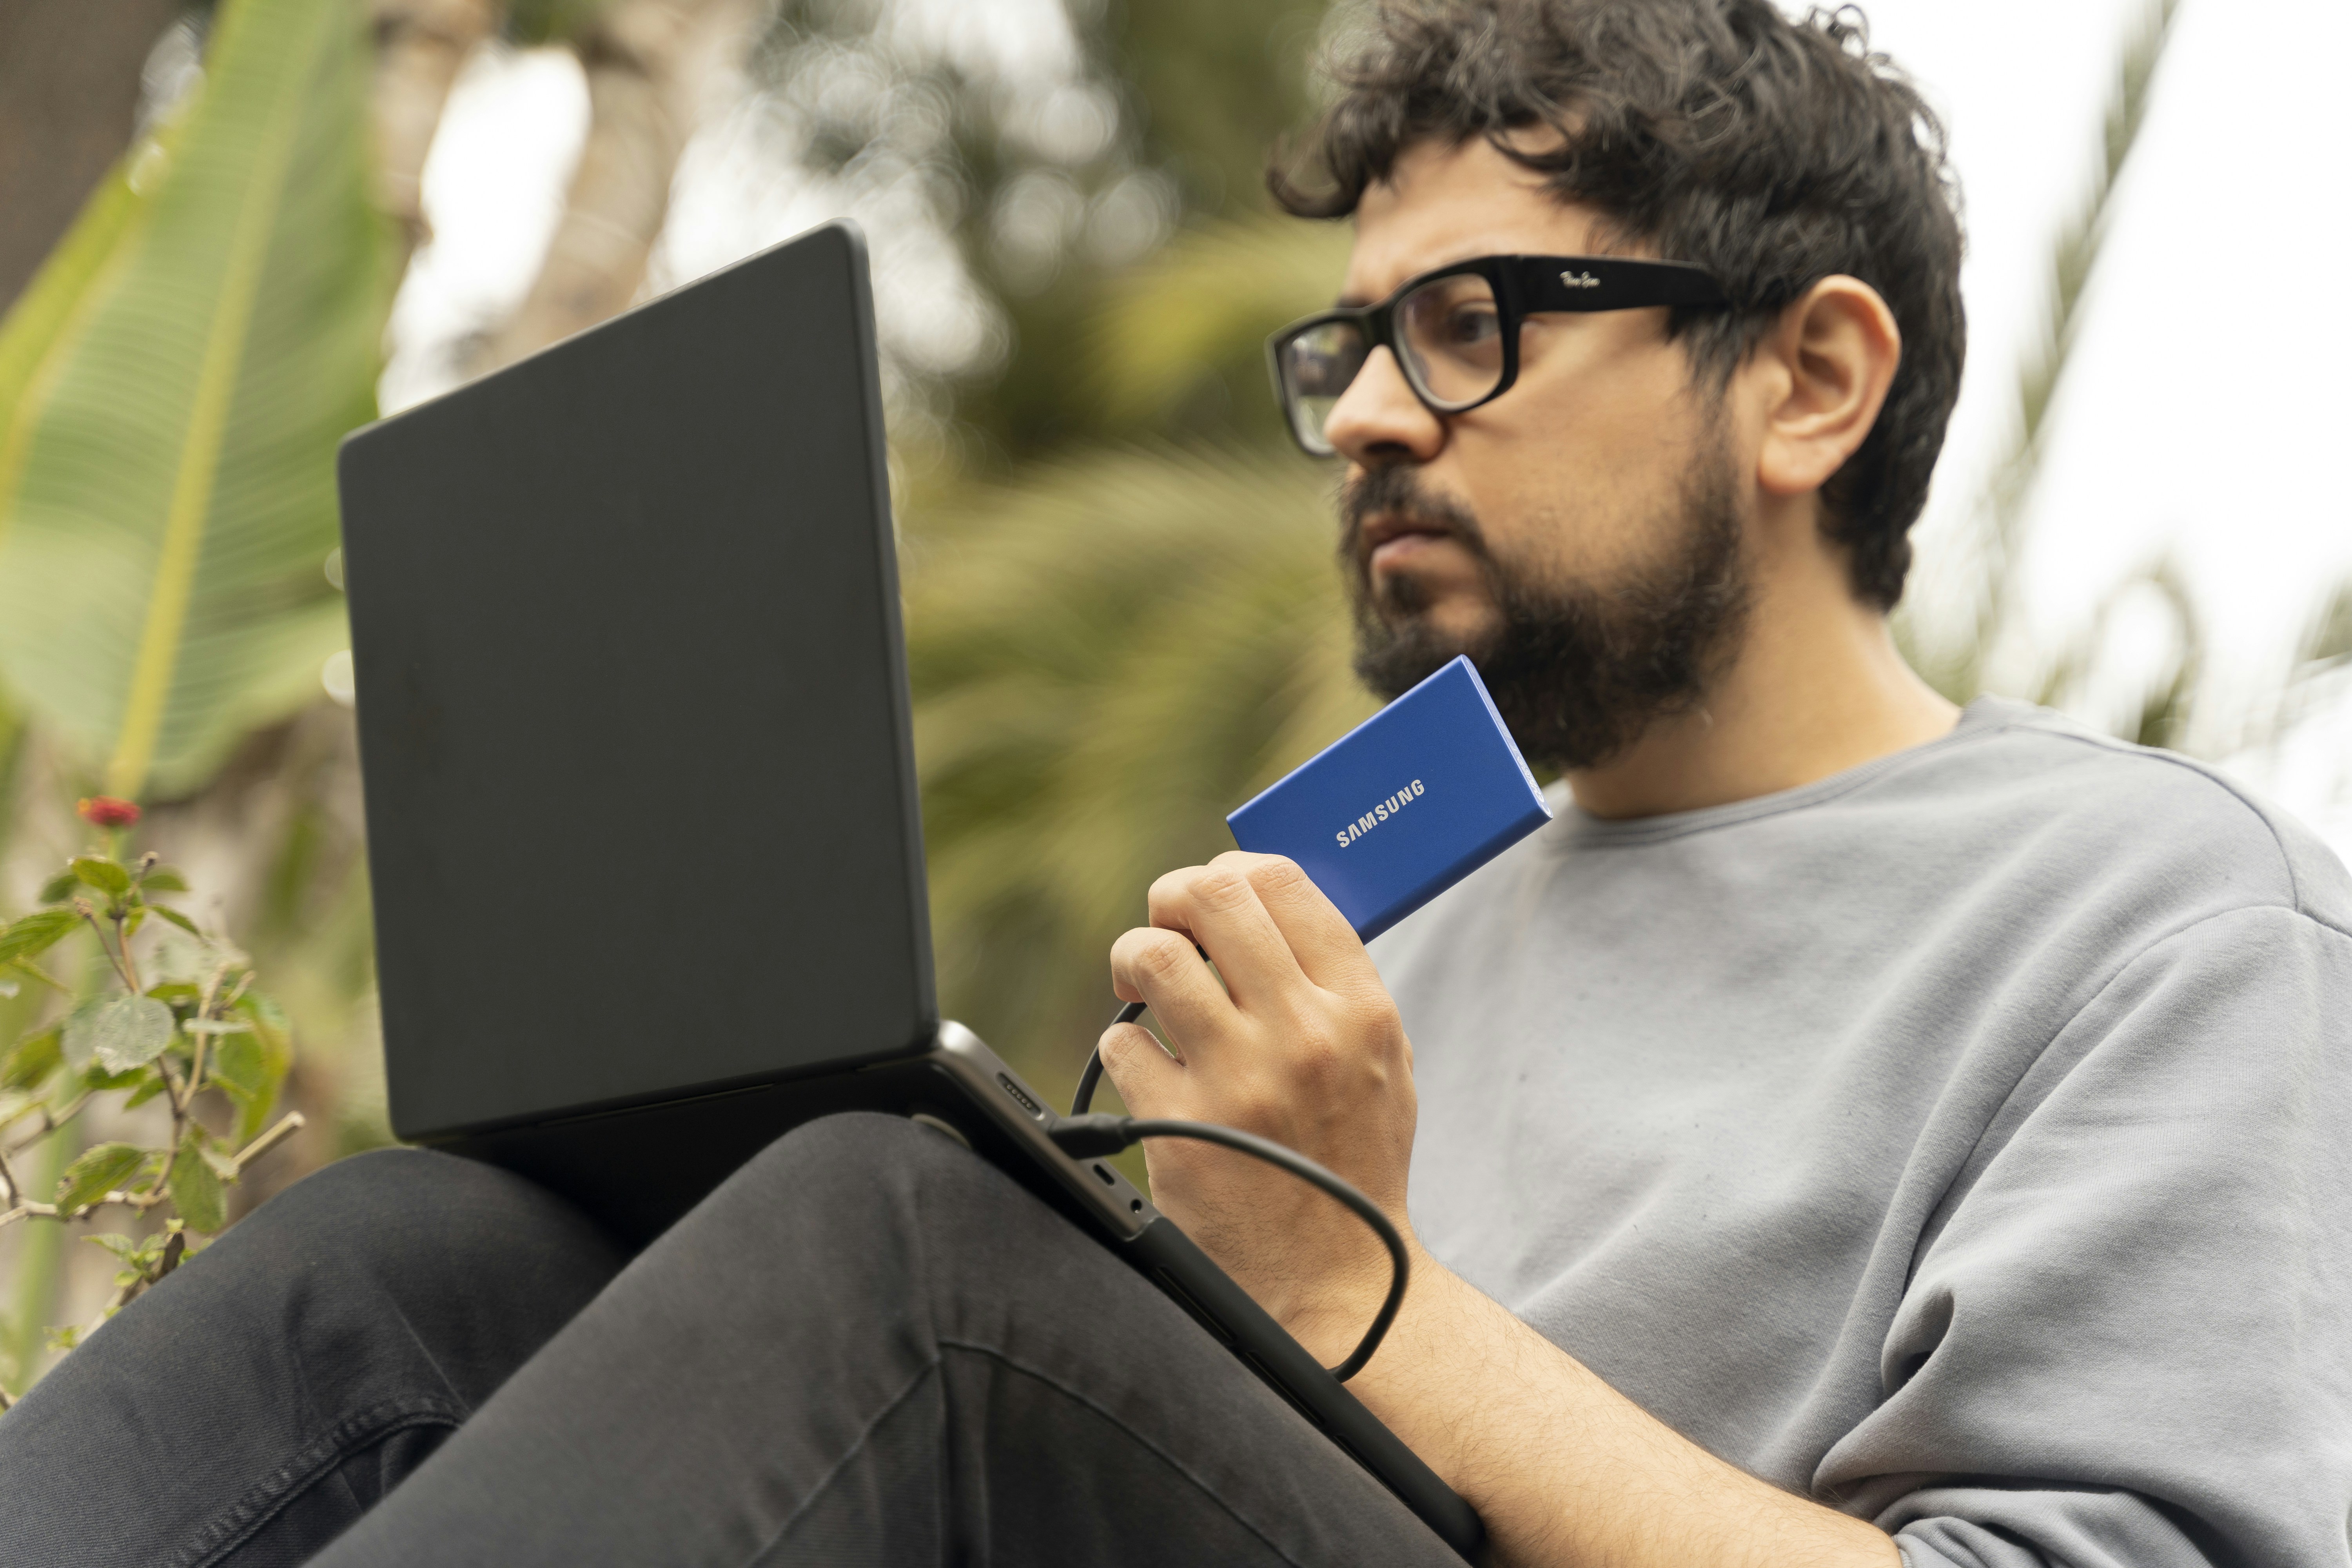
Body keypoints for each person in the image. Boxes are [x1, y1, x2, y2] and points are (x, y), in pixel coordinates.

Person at [7, 2, 2349, 1565]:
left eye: (1470, 326)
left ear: (1813, 380)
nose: (1361, 419)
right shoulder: (1382, 879)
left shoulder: (2161, 919)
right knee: (427, 1264)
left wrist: (1360, 1301)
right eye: (1349, 344)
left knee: (905, 1260)